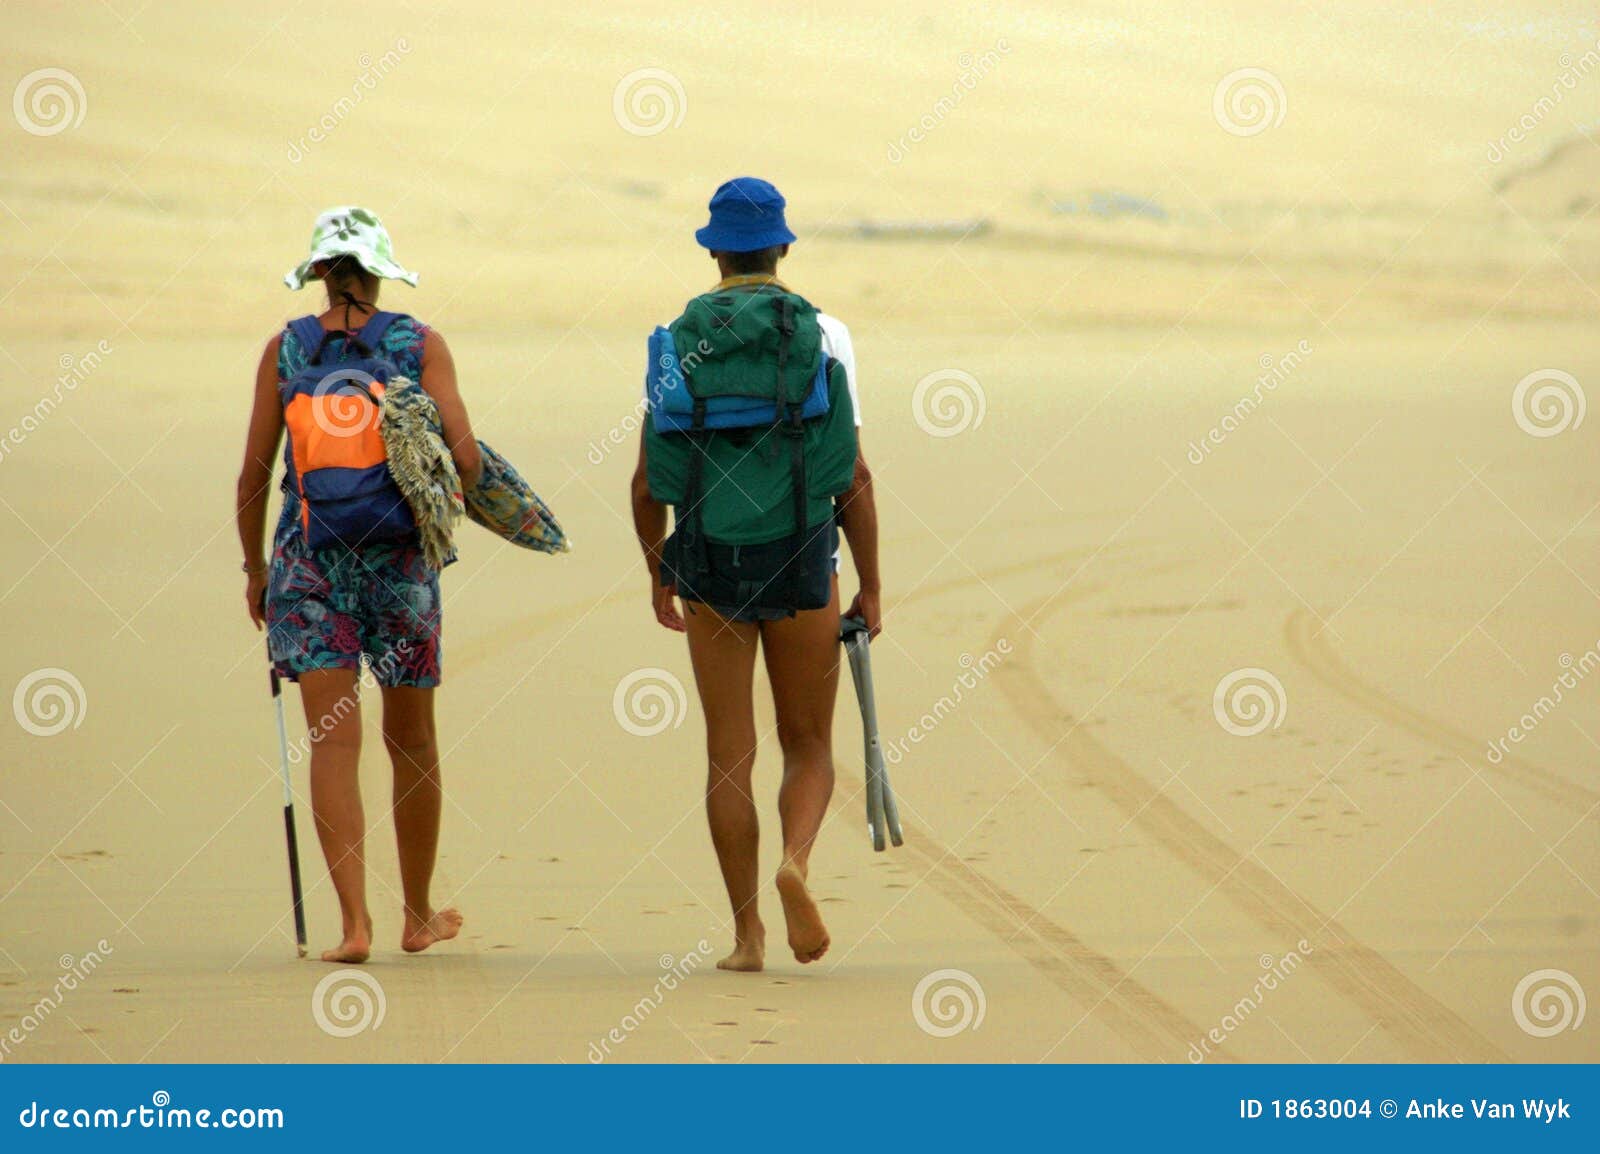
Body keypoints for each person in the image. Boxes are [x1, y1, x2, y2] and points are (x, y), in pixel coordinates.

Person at [631, 178, 882, 971]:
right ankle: (795, 863)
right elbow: (854, 476)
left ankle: (747, 936)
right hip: (805, 558)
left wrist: (658, 569)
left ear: (713, 251)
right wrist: (871, 583)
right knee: (808, 744)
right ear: (782, 247)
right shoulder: (826, 334)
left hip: (710, 563)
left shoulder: (677, 341)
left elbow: (648, 481)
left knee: (728, 755)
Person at [235, 207, 481, 963]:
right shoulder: (418, 344)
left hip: (308, 562)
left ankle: (353, 926)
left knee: (333, 743)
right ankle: (417, 915)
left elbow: (252, 477)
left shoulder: (286, 350)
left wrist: (256, 571)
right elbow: (468, 461)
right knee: (412, 741)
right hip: (401, 566)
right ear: (379, 271)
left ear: (317, 272)